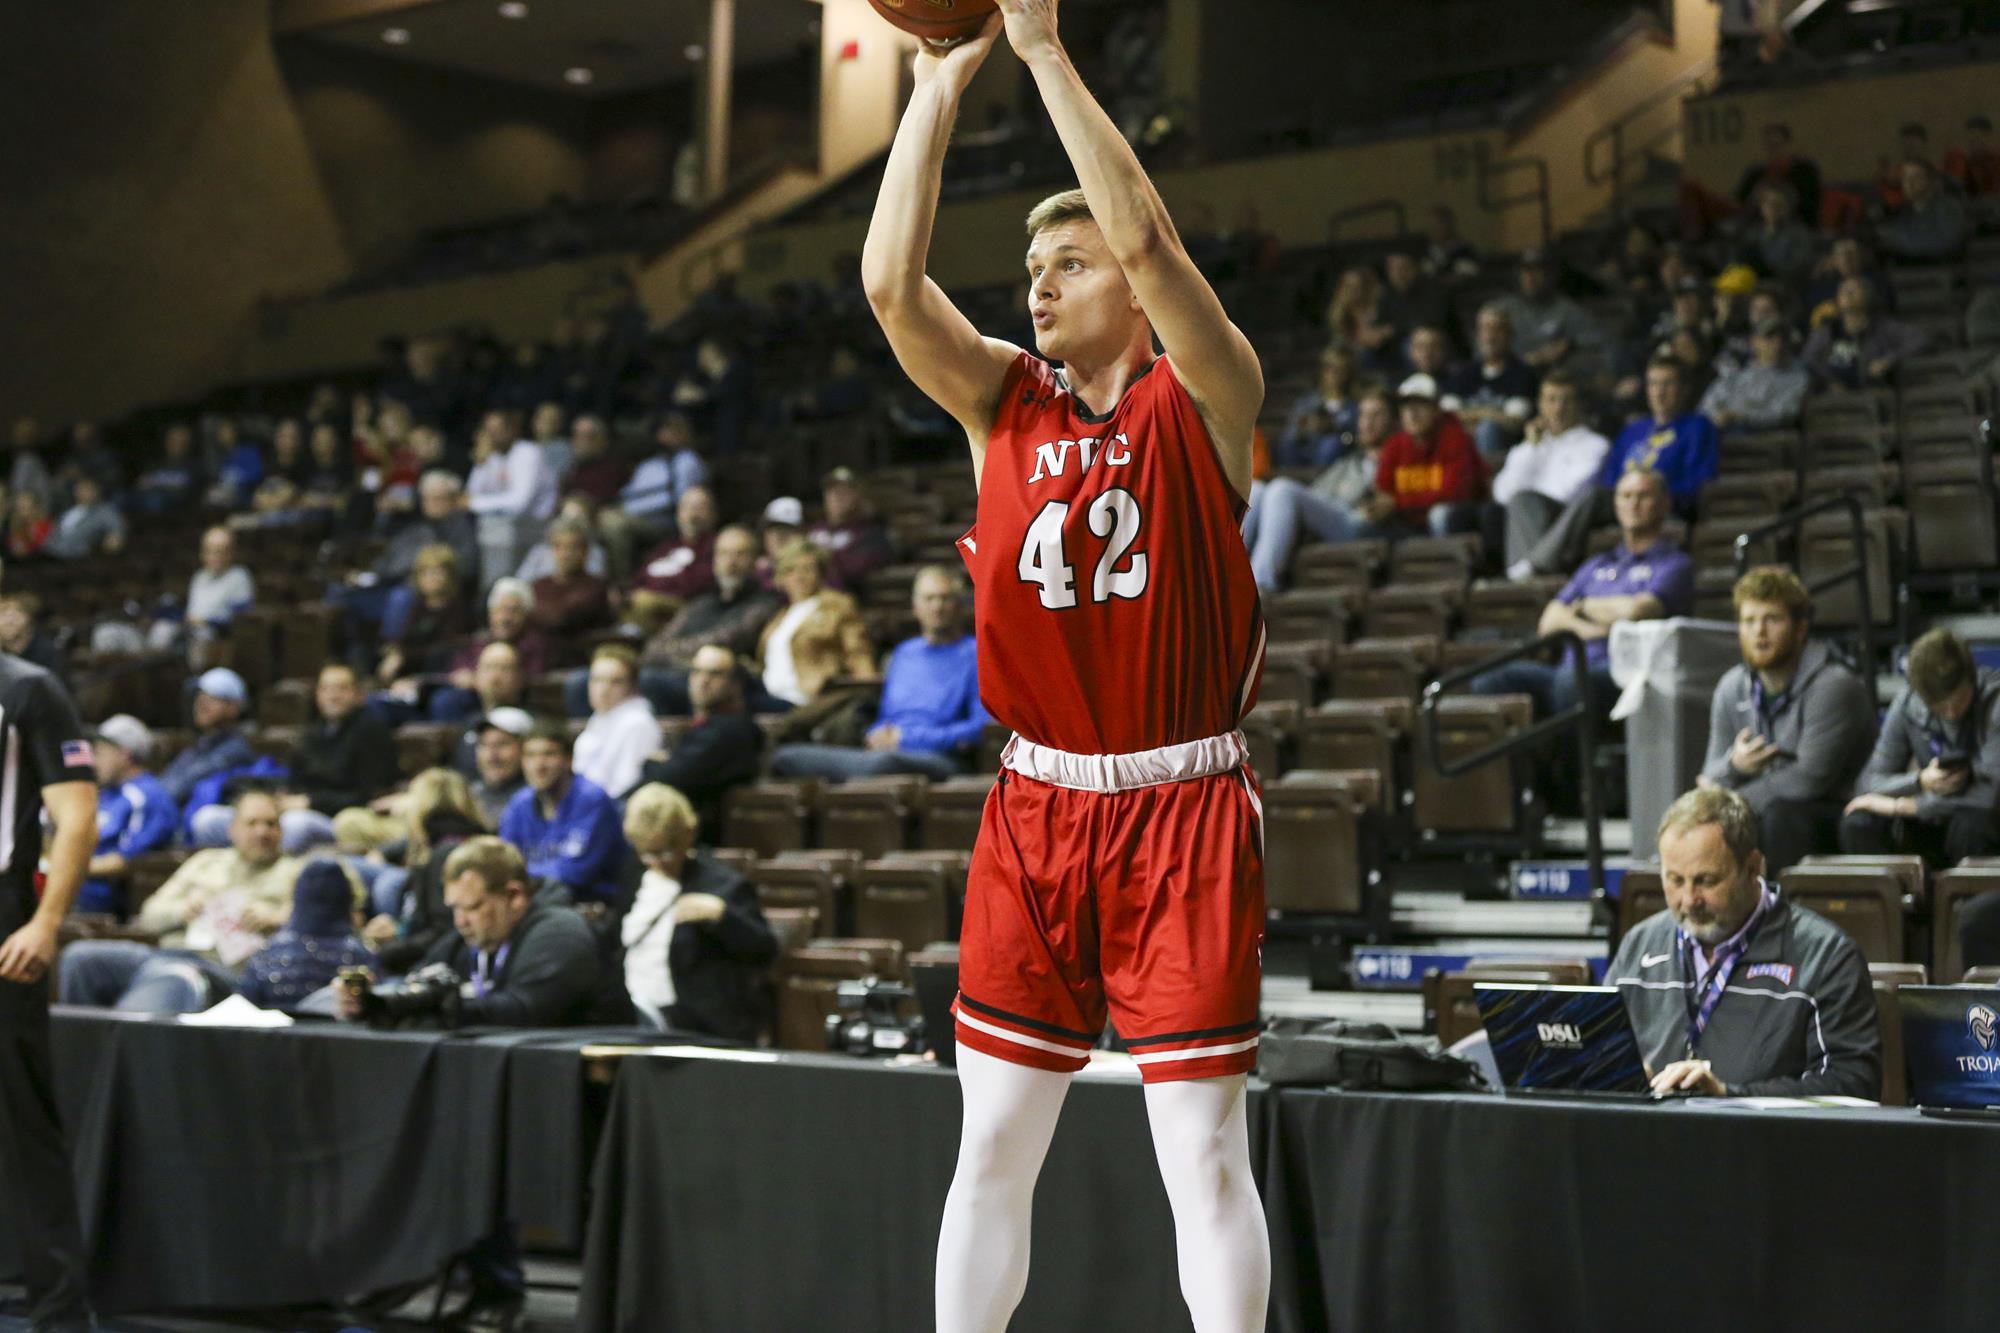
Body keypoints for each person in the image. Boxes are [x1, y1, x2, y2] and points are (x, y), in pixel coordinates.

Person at [863, 7, 1271, 1328]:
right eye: (1031, 265)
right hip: (1037, 807)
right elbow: (887, 285)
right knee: (990, 1146)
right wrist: (933, 88)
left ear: (1132, 295)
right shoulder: (1001, 403)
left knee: (1200, 1155)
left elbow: (1148, 237)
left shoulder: (1205, 396)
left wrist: (1041, 52)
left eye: (1068, 262)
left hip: (1181, 803)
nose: (1039, 285)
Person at [335, 835, 627, 1328]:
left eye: (472, 907)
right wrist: (374, 1001)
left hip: (593, 1104)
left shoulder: (562, 932)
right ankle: (403, 1264)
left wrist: (434, 1003)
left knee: (471, 1131)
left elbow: (522, 1011)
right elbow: (427, 983)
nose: (461, 921)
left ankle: (498, 1285)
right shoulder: (468, 939)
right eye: (454, 909)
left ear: (515, 896)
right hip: (514, 1091)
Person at [1609, 788, 1879, 1098]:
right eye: (1674, 880)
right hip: (1649, 1139)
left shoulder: (1827, 956)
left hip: (1762, 1143)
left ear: (1752, 868)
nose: (1688, 900)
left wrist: (1729, 1095)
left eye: (1705, 881)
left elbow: (1853, 1086)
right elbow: (1597, 1055)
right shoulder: (1639, 944)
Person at [0, 641, 104, 1333]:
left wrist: (46, 920)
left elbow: (77, 813)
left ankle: (60, 1311)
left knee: (23, 1115)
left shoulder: (30, 690)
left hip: (6, 917)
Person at [1474, 466, 1692, 729]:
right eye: (1625, 496)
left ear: (1664, 504)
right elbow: (1549, 622)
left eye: (1643, 496)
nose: (1633, 504)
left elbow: (1639, 611)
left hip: (1628, 672)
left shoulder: (1674, 563)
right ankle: (1523, 769)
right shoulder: (1597, 564)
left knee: (1570, 682)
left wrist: (1581, 607)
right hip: (1570, 668)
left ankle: (1573, 770)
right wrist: (1603, 626)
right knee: (1491, 679)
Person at [60, 788, 305, 1012]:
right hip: (168, 952)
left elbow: (326, 925)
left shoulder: (298, 872)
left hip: (225, 971)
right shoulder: (205, 862)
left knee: (172, 978)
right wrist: (182, 910)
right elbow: (149, 915)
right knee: (80, 958)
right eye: (252, 823)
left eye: (271, 824)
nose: (262, 832)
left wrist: (280, 918)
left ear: (282, 832)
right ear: (233, 829)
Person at [1696, 568, 1876, 872]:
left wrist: (1730, 801)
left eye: (1772, 619)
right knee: (1696, 821)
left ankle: (1782, 914)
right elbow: (1710, 775)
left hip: (1841, 812)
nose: (1759, 632)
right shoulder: (1731, 686)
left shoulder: (1834, 685)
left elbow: (1810, 778)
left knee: (1778, 817)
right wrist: (1734, 767)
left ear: (1801, 629)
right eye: (1749, 621)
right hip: (1768, 807)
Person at [772, 566, 991, 780]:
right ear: (915, 606)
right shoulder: (904, 654)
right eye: (929, 599)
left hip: (940, 757)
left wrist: (907, 739)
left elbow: (980, 728)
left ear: (961, 606)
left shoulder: (977, 655)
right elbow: (887, 716)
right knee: (786, 757)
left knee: (882, 764)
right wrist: (876, 734)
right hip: (886, 751)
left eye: (945, 598)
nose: (937, 607)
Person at [1512, 357, 1717, 578]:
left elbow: (1698, 481)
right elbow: (1609, 476)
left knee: (1593, 494)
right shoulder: (1634, 429)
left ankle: (1538, 565)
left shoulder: (1698, 426)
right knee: (1524, 499)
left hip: (1660, 503)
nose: (1659, 392)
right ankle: (1528, 579)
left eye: (1667, 384)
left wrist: (1655, 492)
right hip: (1619, 502)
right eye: (1653, 384)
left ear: (1684, 389)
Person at [619, 783, 776, 1037]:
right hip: (632, 1012)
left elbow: (765, 950)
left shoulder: (723, 885)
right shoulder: (634, 875)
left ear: (687, 836)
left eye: (665, 852)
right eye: (647, 854)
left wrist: (722, 916)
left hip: (694, 1025)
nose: (657, 862)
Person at [1843, 629, 2000, 865]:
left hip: (1977, 816)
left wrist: (1905, 806)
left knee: (1973, 825)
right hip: (1934, 812)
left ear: (1971, 677)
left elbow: (1991, 796)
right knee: (1859, 822)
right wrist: (1920, 781)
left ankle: (1963, 900)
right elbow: (1870, 781)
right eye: (1938, 706)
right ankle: (1894, 900)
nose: (1950, 712)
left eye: (1958, 700)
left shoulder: (1995, 700)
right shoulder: (1908, 703)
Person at [1241, 386, 1399, 591]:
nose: (1367, 422)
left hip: (1360, 523)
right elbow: (1317, 495)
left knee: (1282, 489)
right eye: (1363, 415)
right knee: (1258, 489)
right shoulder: (1351, 460)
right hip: (1333, 515)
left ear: (1394, 422)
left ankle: (1261, 584)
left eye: (1376, 415)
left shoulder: (1398, 457)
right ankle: (1223, 573)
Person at [367, 767, 493, 975]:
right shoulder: (467, 842)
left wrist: (389, 950)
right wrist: (398, 929)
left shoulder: (446, 854)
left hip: (432, 969)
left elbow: (444, 931)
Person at [636, 644, 765, 845]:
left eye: (715, 674)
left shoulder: (729, 730)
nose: (703, 681)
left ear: (736, 684)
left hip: (699, 842)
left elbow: (668, 776)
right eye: (696, 672)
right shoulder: (708, 725)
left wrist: (650, 764)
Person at [1489, 373, 1609, 574]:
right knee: (1520, 501)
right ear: (1540, 404)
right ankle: (1531, 573)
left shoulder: (1595, 445)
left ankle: (1528, 571)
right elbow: (1502, 494)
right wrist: (1532, 449)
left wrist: (1532, 496)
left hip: (1567, 517)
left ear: (1579, 405)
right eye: (1551, 400)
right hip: (1527, 516)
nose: (1558, 409)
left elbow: (1571, 494)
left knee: (1525, 501)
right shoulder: (1527, 447)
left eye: (1566, 401)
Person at [498, 721, 627, 907]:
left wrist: (523, 876)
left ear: (569, 760)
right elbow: (505, 863)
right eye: (530, 756)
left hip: (592, 904)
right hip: (538, 897)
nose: (539, 765)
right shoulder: (519, 803)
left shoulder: (592, 800)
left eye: (549, 754)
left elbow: (575, 873)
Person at [235, 859, 378, 1011]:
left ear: (296, 895)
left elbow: (241, 1013)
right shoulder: (361, 960)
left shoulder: (265, 958)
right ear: (350, 899)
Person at [641, 524, 784, 673]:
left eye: (740, 554)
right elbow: (655, 645)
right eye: (723, 554)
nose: (730, 563)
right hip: (677, 671)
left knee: (650, 678)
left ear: (756, 560)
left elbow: (723, 642)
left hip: (725, 680)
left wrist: (667, 653)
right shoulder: (703, 601)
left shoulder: (764, 604)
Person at [757, 540, 877, 708]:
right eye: (791, 570)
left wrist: (868, 692)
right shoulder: (780, 617)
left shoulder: (837, 606)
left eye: (807, 569)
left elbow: (857, 652)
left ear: (821, 575)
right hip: (770, 695)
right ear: (781, 577)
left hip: (807, 699)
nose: (799, 576)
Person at [80, 715, 179, 918]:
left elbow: (125, 861)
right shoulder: (107, 793)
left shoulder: (146, 796)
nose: (94, 760)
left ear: (124, 755)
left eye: (100, 752)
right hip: (78, 884)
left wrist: (64, 867)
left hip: (103, 898)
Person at [1371, 373, 1483, 538]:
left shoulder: (1456, 439)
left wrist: (1399, 503)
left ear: (1436, 410)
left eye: (1420, 406)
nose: (1412, 414)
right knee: (1363, 524)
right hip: (1406, 523)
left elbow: (1453, 494)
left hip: (1459, 523)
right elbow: (1384, 490)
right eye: (1406, 407)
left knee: (1439, 514)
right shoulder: (1394, 445)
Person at [1441, 305, 1539, 462]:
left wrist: (1473, 418)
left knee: (1488, 430)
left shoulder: (1522, 374)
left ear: (1510, 335)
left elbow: (1514, 422)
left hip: (1505, 455)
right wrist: (1488, 414)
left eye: (1497, 329)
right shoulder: (1463, 372)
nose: (1490, 336)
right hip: (1463, 445)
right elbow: (1446, 417)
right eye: (1485, 329)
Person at [1803, 276, 1930, 391]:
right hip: (1837, 395)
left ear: (1868, 295)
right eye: (1843, 291)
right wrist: (1829, 380)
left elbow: (1919, 339)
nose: (1847, 294)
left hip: (1875, 390)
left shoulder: (1883, 326)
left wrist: (1888, 360)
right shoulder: (1828, 330)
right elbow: (1809, 358)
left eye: (1854, 290)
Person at [1488, 249, 1602, 374]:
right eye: (1526, 271)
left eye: (1537, 271)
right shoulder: (1503, 309)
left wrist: (1569, 344)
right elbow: (1484, 349)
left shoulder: (1566, 309)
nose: (1530, 278)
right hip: (1509, 375)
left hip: (1548, 378)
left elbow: (1595, 336)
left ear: (1551, 275)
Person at [159, 668, 258, 810]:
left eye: (213, 697)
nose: (201, 703)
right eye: (201, 695)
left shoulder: (235, 750)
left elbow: (177, 790)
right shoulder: (200, 745)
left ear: (234, 707)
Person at [574, 644, 662, 800]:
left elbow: (625, 786)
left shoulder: (637, 723)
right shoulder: (599, 719)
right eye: (597, 680)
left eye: (615, 682)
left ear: (633, 686)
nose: (604, 689)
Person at [376, 544, 472, 685]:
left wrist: (403, 656)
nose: (431, 578)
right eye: (425, 572)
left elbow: (442, 649)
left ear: (451, 576)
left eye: (438, 572)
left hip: (436, 674)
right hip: (408, 670)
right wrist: (395, 652)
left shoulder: (458, 610)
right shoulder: (417, 607)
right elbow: (407, 640)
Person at [1699, 317, 1809, 433]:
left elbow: (1784, 414)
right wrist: (1717, 417)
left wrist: (1740, 416)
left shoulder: (1797, 377)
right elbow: (1706, 406)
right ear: (1755, 341)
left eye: (1783, 338)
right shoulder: (1736, 374)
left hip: (1760, 434)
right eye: (1769, 338)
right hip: (1720, 429)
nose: (1778, 343)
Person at [630, 484, 720, 613]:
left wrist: (651, 593)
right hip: (643, 604)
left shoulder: (715, 545)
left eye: (700, 508)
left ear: (713, 514)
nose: (692, 514)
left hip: (683, 610)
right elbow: (639, 579)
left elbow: (696, 586)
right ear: (678, 513)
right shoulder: (667, 546)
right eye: (686, 507)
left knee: (643, 602)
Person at [807, 467, 896, 592]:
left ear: (859, 496)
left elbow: (855, 571)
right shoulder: (813, 530)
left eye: (845, 491)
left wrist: (822, 558)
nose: (837, 496)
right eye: (832, 491)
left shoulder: (872, 535)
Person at [1274, 345, 1360, 470]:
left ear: (1349, 373)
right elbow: (1291, 434)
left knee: (1331, 443)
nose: (1334, 375)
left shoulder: (1353, 406)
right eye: (1330, 368)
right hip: (1306, 450)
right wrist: (1304, 429)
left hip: (1334, 459)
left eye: (1341, 370)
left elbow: (1355, 438)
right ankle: (1290, 476)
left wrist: (1334, 427)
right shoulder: (1307, 402)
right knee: (1288, 441)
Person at [528, 516, 612, 639]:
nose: (566, 554)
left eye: (573, 547)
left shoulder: (596, 586)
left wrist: (536, 613)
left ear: (585, 551)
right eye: (559, 546)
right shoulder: (538, 585)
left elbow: (560, 619)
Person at [1877, 159, 1971, 263]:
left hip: (1939, 271)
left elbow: (1947, 243)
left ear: (1932, 182)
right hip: (1907, 270)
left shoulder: (1948, 207)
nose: (1909, 183)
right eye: (1905, 178)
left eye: (1916, 178)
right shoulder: (1904, 210)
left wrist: (1898, 241)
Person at [1733, 122, 1822, 227]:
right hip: (1758, 228)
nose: (1775, 151)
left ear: (1790, 146)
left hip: (1795, 227)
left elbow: (1810, 207)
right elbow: (1739, 204)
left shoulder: (1805, 171)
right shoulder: (1755, 174)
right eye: (1770, 146)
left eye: (1779, 145)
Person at [45, 475, 126, 560]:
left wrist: (115, 537)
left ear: (96, 491)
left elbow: (117, 528)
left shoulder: (105, 511)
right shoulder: (68, 510)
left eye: (87, 489)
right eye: (79, 489)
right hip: (49, 549)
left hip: (76, 555)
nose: (82, 492)